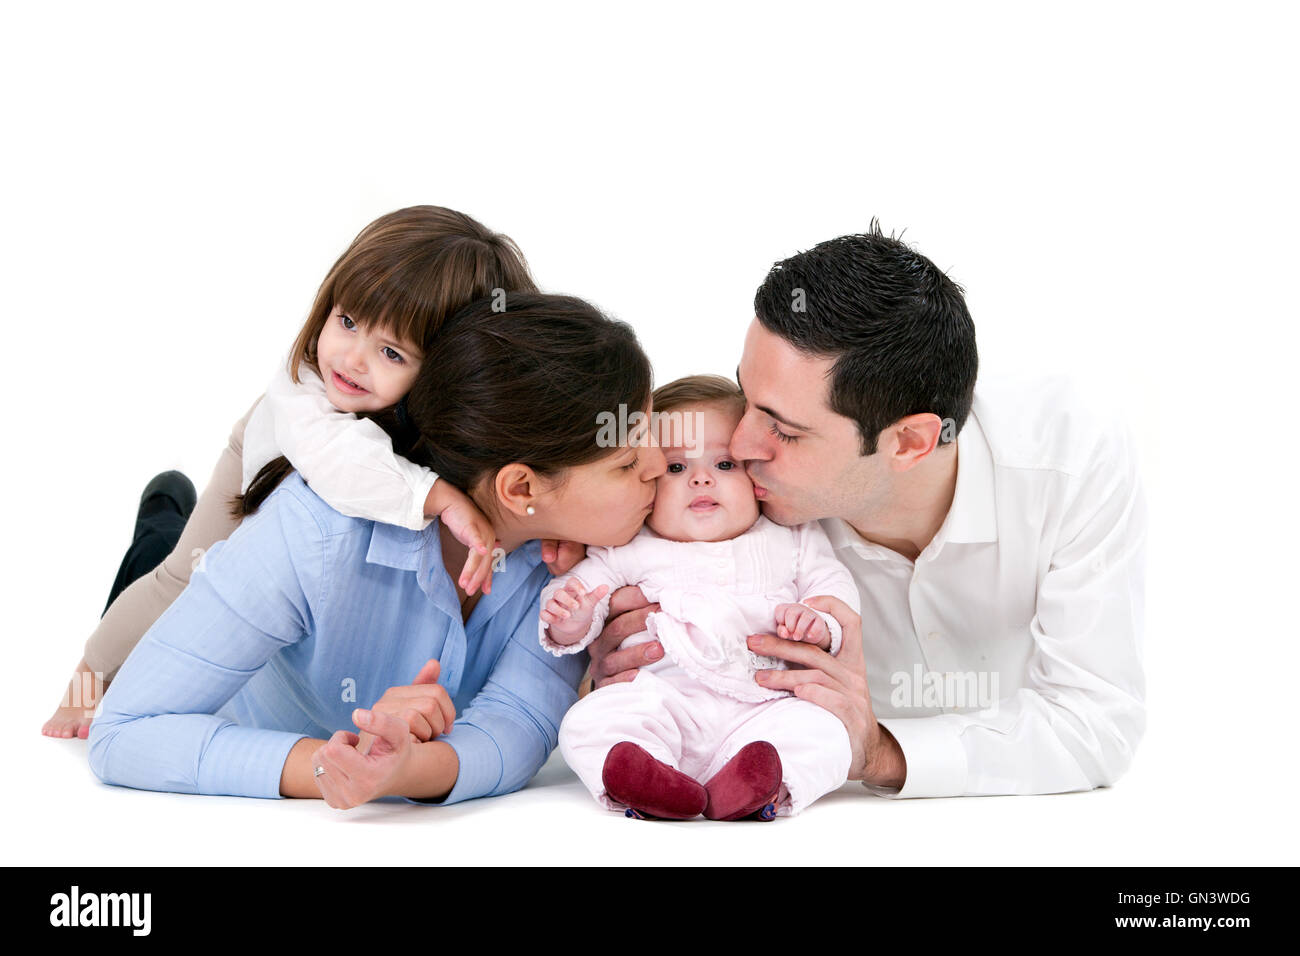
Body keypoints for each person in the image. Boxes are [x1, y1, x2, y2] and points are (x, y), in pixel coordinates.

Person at [589, 223, 1147, 799]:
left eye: (782, 430)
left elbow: (1095, 722)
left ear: (908, 443)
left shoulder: (1069, 458)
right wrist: (606, 665)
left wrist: (878, 751)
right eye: (745, 397)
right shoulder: (726, 487)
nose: (740, 445)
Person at [87, 293, 667, 808]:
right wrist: (333, 766)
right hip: (233, 571)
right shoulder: (311, 534)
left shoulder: (580, 557)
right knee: (167, 566)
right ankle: (160, 520)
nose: (657, 465)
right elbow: (124, 733)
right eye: (625, 461)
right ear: (520, 489)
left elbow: (521, 720)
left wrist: (411, 771)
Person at [45, 205, 535, 739]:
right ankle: (85, 679)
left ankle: (163, 516)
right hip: (265, 471)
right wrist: (441, 497)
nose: (351, 359)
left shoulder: (450, 427)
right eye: (346, 321)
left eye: (391, 351)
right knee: (183, 576)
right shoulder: (302, 393)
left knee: (177, 553)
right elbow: (341, 464)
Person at [541, 376, 861, 821]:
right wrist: (570, 616)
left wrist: (816, 622)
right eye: (676, 468)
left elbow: (834, 589)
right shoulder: (629, 545)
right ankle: (648, 781)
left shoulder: (790, 537)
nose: (702, 478)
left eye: (725, 465)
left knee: (825, 732)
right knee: (588, 722)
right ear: (647, 480)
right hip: (660, 698)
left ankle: (761, 785)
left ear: (755, 476)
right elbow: (580, 593)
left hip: (764, 706)